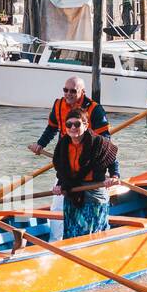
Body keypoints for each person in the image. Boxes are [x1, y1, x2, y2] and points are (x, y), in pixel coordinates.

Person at [27, 74, 109, 241]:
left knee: (95, 210)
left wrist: (113, 174)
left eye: (73, 91)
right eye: (66, 90)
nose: (68, 94)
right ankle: (56, 243)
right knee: (57, 206)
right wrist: (40, 144)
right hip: (66, 165)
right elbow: (51, 128)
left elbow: (107, 142)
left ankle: (97, 239)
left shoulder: (94, 109)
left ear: (82, 92)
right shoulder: (58, 105)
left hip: (90, 169)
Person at [52, 107, 120, 239]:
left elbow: (113, 159)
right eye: (69, 124)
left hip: (94, 191)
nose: (73, 128)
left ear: (86, 125)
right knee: (71, 234)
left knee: (91, 235)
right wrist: (60, 185)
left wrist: (114, 176)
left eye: (77, 124)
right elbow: (62, 170)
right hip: (72, 192)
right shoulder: (63, 144)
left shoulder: (99, 142)